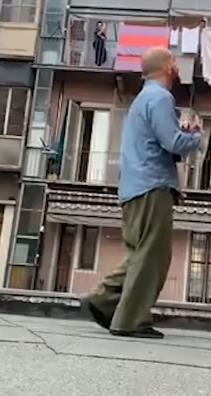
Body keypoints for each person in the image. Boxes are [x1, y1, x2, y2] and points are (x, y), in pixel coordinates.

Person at [82, 47, 202, 339]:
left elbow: (157, 140)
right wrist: (195, 133)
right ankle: (130, 320)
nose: (176, 65)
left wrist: (180, 133)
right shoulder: (161, 97)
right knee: (153, 256)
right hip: (152, 185)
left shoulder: (141, 100)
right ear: (164, 67)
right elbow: (173, 142)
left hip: (133, 187)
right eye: (172, 60)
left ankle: (104, 300)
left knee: (140, 253)